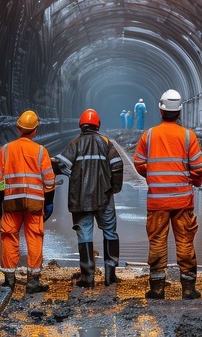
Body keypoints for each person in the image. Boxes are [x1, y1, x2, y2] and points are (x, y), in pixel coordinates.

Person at [134, 89, 202, 299]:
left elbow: (138, 163)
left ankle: (157, 289)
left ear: (160, 110)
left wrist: (154, 177)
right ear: (179, 111)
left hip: (157, 201)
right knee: (185, 241)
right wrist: (193, 181)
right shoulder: (187, 135)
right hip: (183, 200)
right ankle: (189, 289)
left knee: (157, 241)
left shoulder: (148, 135)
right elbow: (199, 166)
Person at [52, 109, 124, 287]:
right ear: (97, 125)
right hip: (104, 197)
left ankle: (87, 277)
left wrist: (70, 174)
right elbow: (117, 165)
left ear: (81, 125)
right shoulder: (106, 143)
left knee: (84, 234)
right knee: (110, 232)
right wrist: (114, 188)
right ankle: (110, 276)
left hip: (81, 198)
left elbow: (58, 164)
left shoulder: (74, 144)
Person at [0, 110, 56, 292]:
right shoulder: (41, 151)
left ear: (18, 128)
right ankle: (33, 282)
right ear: (35, 130)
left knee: (9, 236)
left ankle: (9, 280)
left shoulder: (5, 150)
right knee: (34, 238)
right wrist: (48, 200)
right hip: (34, 203)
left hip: (11, 202)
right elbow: (49, 181)